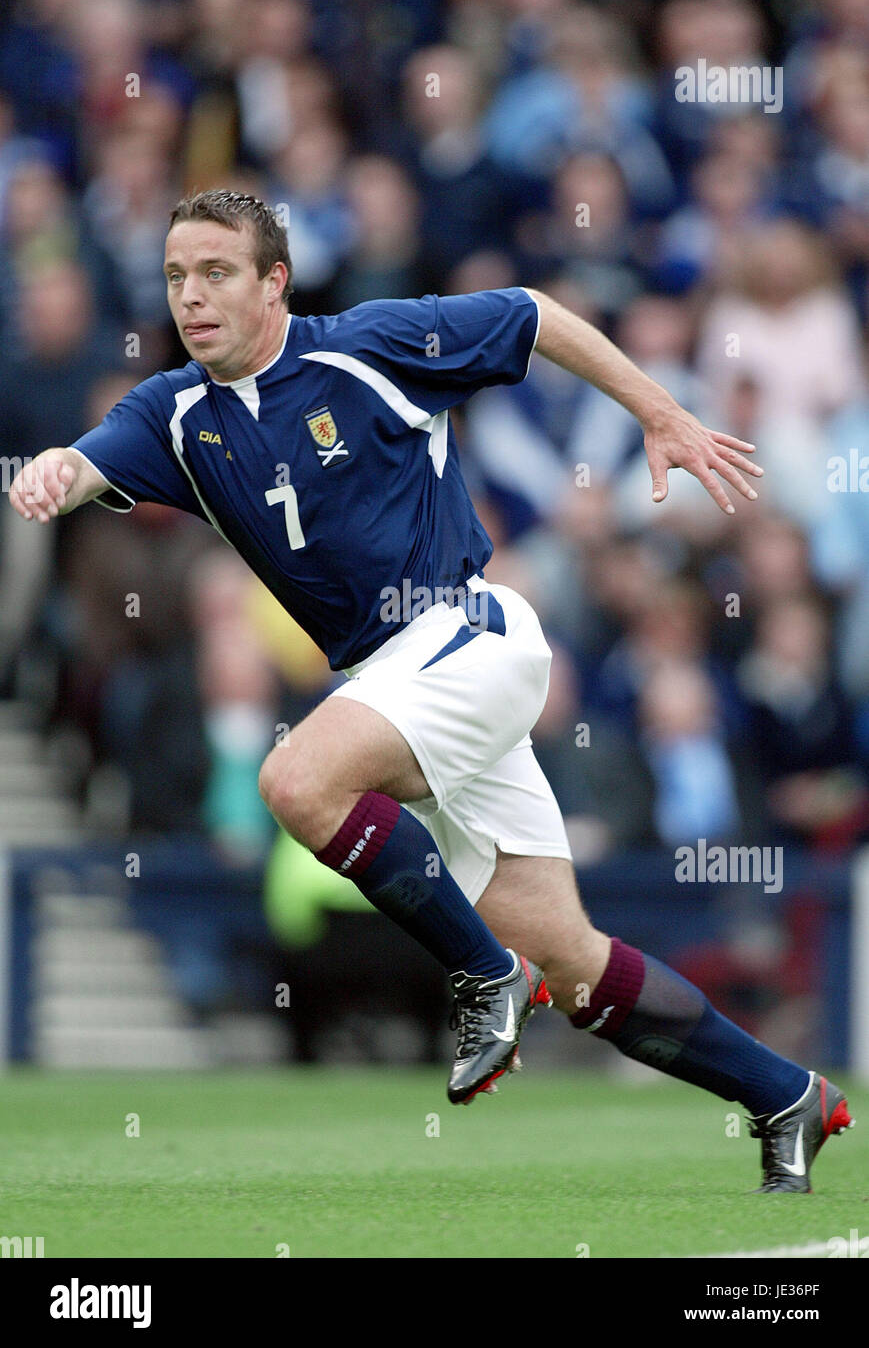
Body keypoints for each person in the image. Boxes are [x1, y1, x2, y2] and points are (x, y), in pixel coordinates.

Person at [10, 190, 852, 1188]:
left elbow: (534, 313)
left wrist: (659, 413)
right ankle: (783, 1095)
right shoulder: (175, 414)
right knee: (577, 967)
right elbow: (85, 455)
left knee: (297, 782)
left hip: (469, 635)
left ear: (274, 283)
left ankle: (484, 974)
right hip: (400, 685)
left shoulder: (368, 343)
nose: (191, 296)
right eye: (175, 276)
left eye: (217, 272)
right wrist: (51, 470)